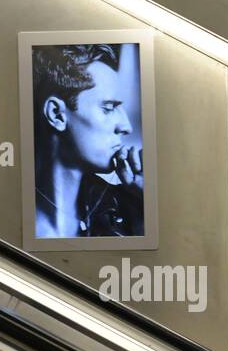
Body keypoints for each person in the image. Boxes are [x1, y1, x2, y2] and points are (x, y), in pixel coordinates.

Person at [32, 43, 144, 238]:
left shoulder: (127, 210)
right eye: (108, 108)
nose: (126, 126)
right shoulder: (6, 217)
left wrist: (142, 207)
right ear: (57, 114)